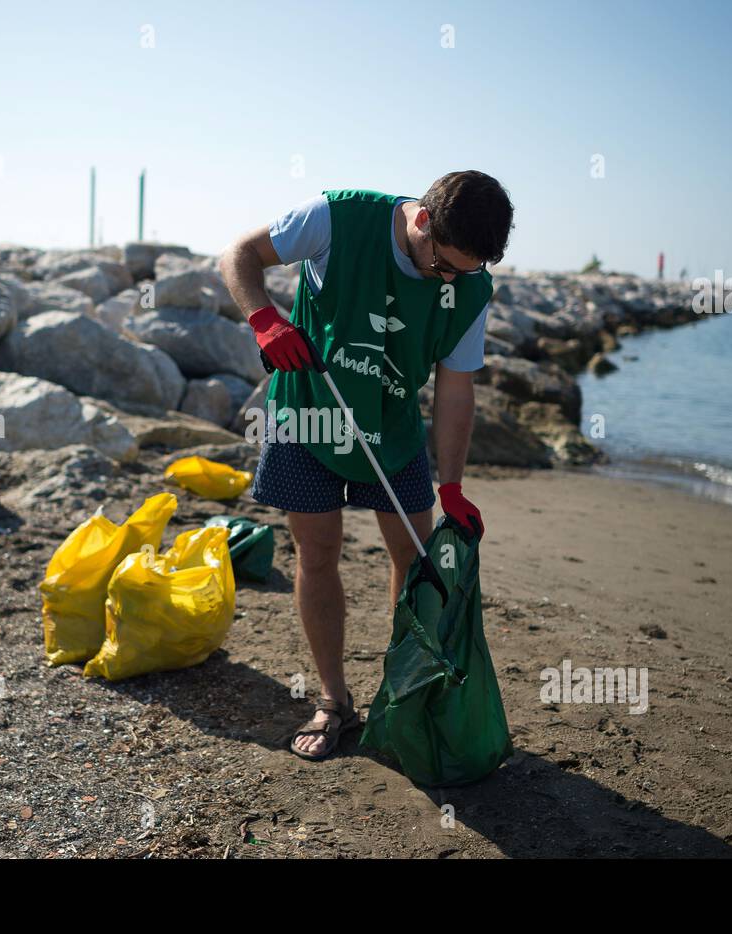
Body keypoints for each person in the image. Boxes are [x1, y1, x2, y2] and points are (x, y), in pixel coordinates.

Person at [220, 171, 513, 760]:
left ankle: (401, 691)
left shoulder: (470, 289)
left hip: (392, 428)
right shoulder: (337, 217)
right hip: (310, 416)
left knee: (414, 554)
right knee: (318, 554)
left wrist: (451, 485)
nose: (449, 280)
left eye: (466, 271)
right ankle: (333, 700)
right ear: (423, 222)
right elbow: (240, 254)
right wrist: (266, 320)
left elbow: (455, 391)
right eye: (443, 267)